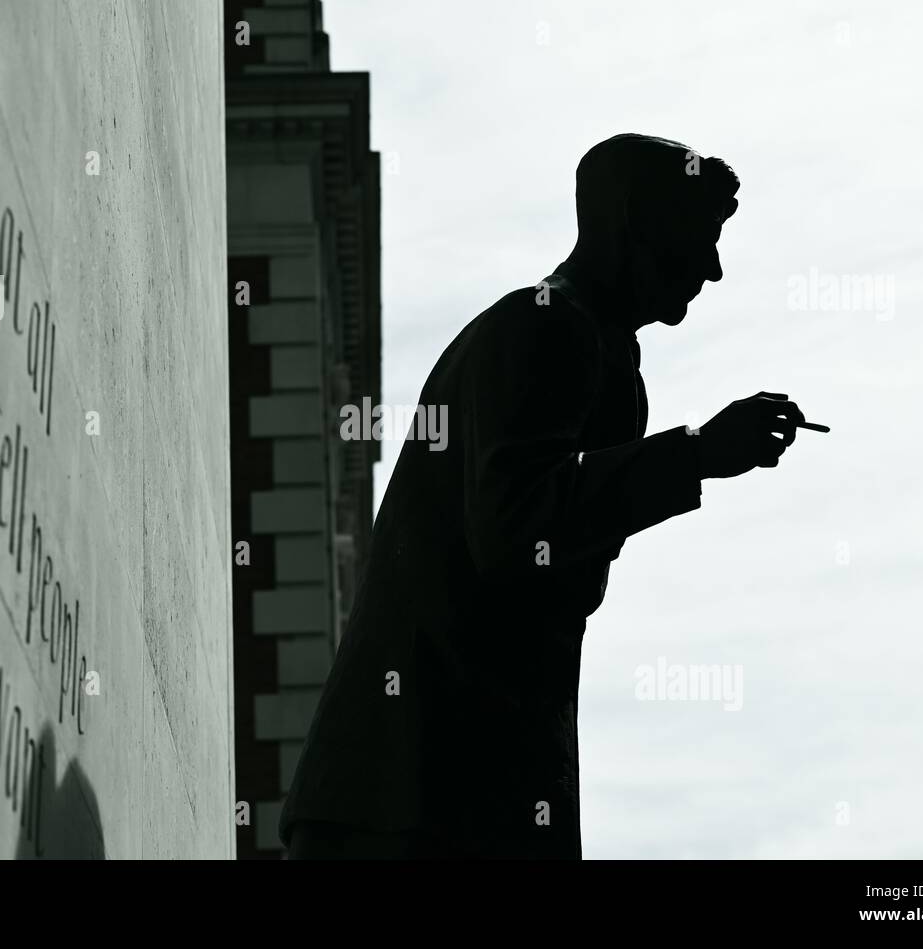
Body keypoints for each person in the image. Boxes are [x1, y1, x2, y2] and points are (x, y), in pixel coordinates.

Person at [281, 133, 806, 859]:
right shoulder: (548, 327)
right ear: (633, 222)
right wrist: (697, 455)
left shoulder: (587, 343)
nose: (712, 269)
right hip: (419, 798)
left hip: (445, 791)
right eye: (699, 237)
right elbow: (515, 530)